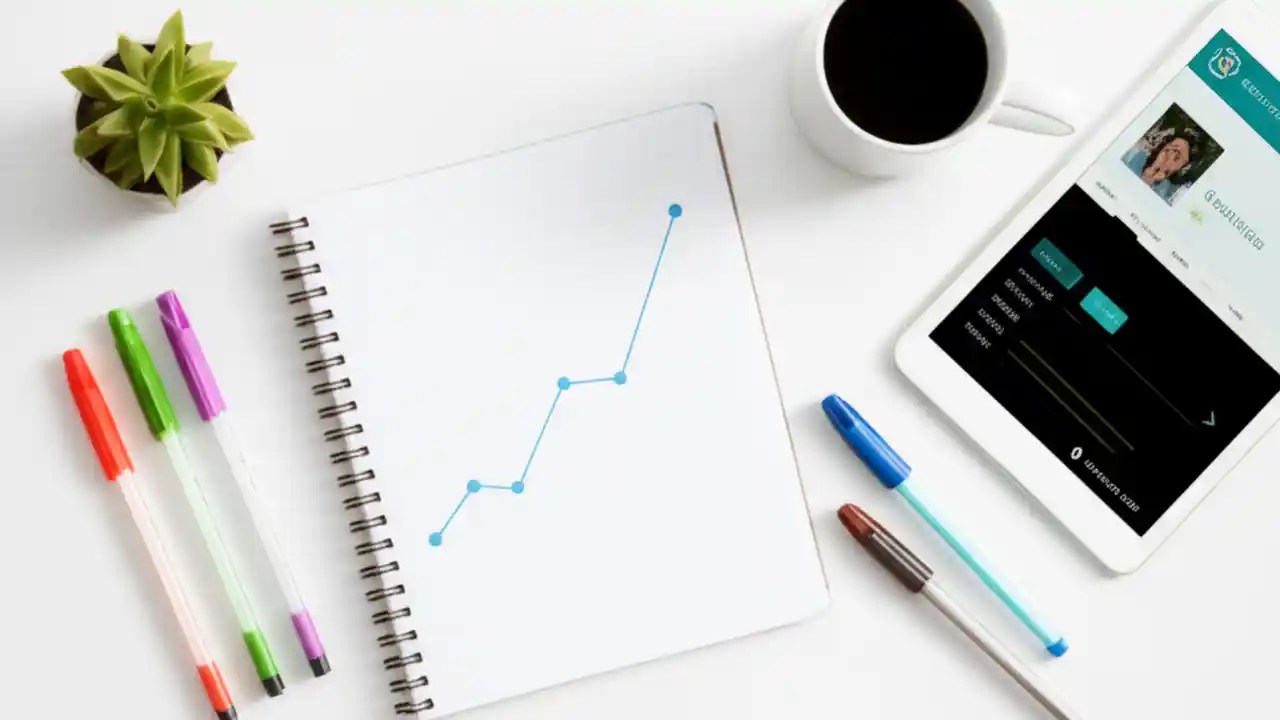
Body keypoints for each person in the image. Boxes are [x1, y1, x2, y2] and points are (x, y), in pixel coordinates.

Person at [1122, 128, 1198, 202]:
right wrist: (1151, 171)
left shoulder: (1171, 195)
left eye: (1177, 157)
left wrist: (1154, 177)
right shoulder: (1133, 156)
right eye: (1168, 150)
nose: (1170, 157)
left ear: (1185, 167)